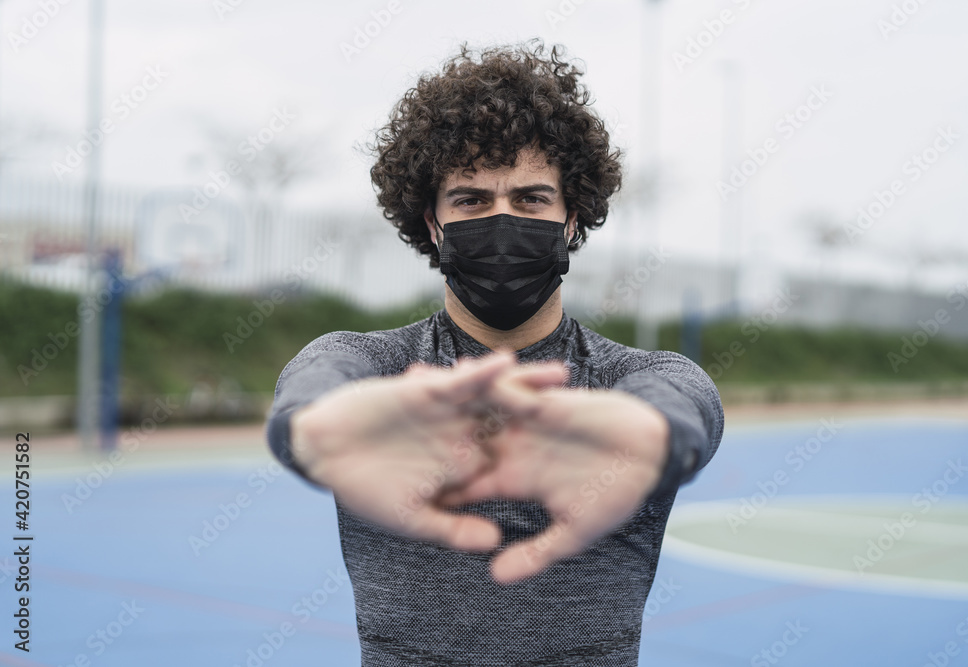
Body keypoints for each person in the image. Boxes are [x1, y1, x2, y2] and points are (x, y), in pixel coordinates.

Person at [266, 39, 724, 667]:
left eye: (531, 199)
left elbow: (682, 405)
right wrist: (312, 430)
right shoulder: (370, 370)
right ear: (432, 223)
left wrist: (653, 438)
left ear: (570, 220)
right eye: (472, 200)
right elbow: (313, 388)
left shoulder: (640, 378)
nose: (502, 219)